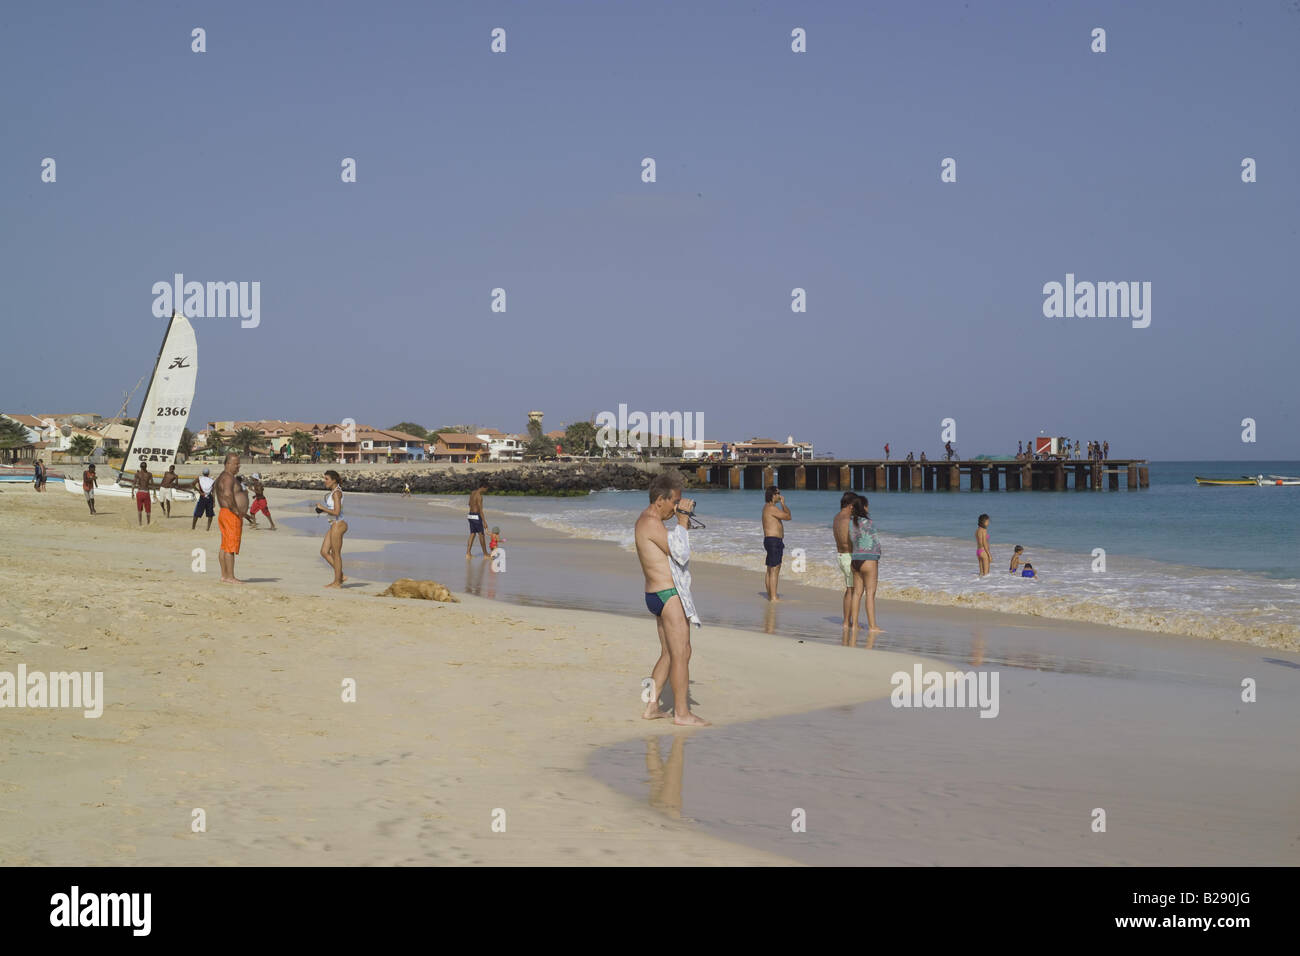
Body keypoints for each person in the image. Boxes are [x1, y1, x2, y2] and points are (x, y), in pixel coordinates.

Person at [635, 470, 707, 726]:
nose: (677, 506)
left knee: (668, 653)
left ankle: (652, 707)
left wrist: (679, 521)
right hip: (668, 595)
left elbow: (670, 549)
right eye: (675, 502)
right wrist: (683, 521)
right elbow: (680, 553)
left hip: (656, 595)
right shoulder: (651, 521)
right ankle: (681, 713)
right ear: (660, 500)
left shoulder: (649, 521)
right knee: (681, 652)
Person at [849, 496, 882, 633]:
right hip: (869, 559)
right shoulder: (869, 522)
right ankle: (872, 626)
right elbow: (875, 543)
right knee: (870, 594)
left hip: (855, 558)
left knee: (857, 593)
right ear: (865, 507)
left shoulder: (851, 523)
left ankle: (855, 624)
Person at [213, 453, 247, 583]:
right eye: (236, 463)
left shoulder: (223, 477)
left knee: (225, 545)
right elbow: (227, 494)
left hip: (225, 513)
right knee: (230, 546)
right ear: (228, 464)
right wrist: (236, 510)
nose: (238, 466)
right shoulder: (228, 478)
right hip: (230, 514)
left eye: (239, 463)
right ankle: (230, 576)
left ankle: (224, 575)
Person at [832, 491, 858, 642]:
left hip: (840, 556)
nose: (855, 509)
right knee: (852, 590)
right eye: (854, 506)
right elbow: (851, 539)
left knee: (849, 589)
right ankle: (849, 622)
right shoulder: (848, 519)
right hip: (848, 556)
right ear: (849, 505)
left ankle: (847, 621)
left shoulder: (836, 517)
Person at [315, 470, 348, 588]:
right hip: (333, 524)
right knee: (324, 552)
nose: (325, 481)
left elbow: (336, 512)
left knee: (336, 554)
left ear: (333, 480)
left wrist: (322, 508)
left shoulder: (336, 493)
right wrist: (322, 509)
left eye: (326, 479)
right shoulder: (333, 492)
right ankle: (341, 576)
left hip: (338, 524)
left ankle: (337, 582)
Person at [761, 485, 790, 601]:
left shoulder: (767, 507)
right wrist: (783, 504)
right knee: (775, 568)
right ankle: (773, 596)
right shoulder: (772, 508)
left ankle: (770, 594)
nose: (779, 495)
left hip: (770, 540)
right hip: (773, 540)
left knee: (770, 568)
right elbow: (788, 516)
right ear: (772, 495)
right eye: (778, 493)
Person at [466, 482, 490, 557]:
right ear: (483, 487)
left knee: (472, 534)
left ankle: (468, 553)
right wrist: (484, 522)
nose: (486, 490)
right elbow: (480, 510)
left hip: (470, 515)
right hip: (476, 516)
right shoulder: (479, 496)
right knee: (481, 535)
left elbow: (469, 503)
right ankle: (485, 554)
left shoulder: (472, 493)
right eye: (486, 488)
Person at [132, 460, 154, 525]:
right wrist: (155, 493)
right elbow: (152, 484)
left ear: (140, 467)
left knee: (139, 510)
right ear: (146, 467)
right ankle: (148, 523)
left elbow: (133, 483)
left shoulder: (137, 474)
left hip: (139, 493)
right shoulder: (149, 474)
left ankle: (140, 523)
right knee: (148, 510)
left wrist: (132, 493)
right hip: (146, 492)